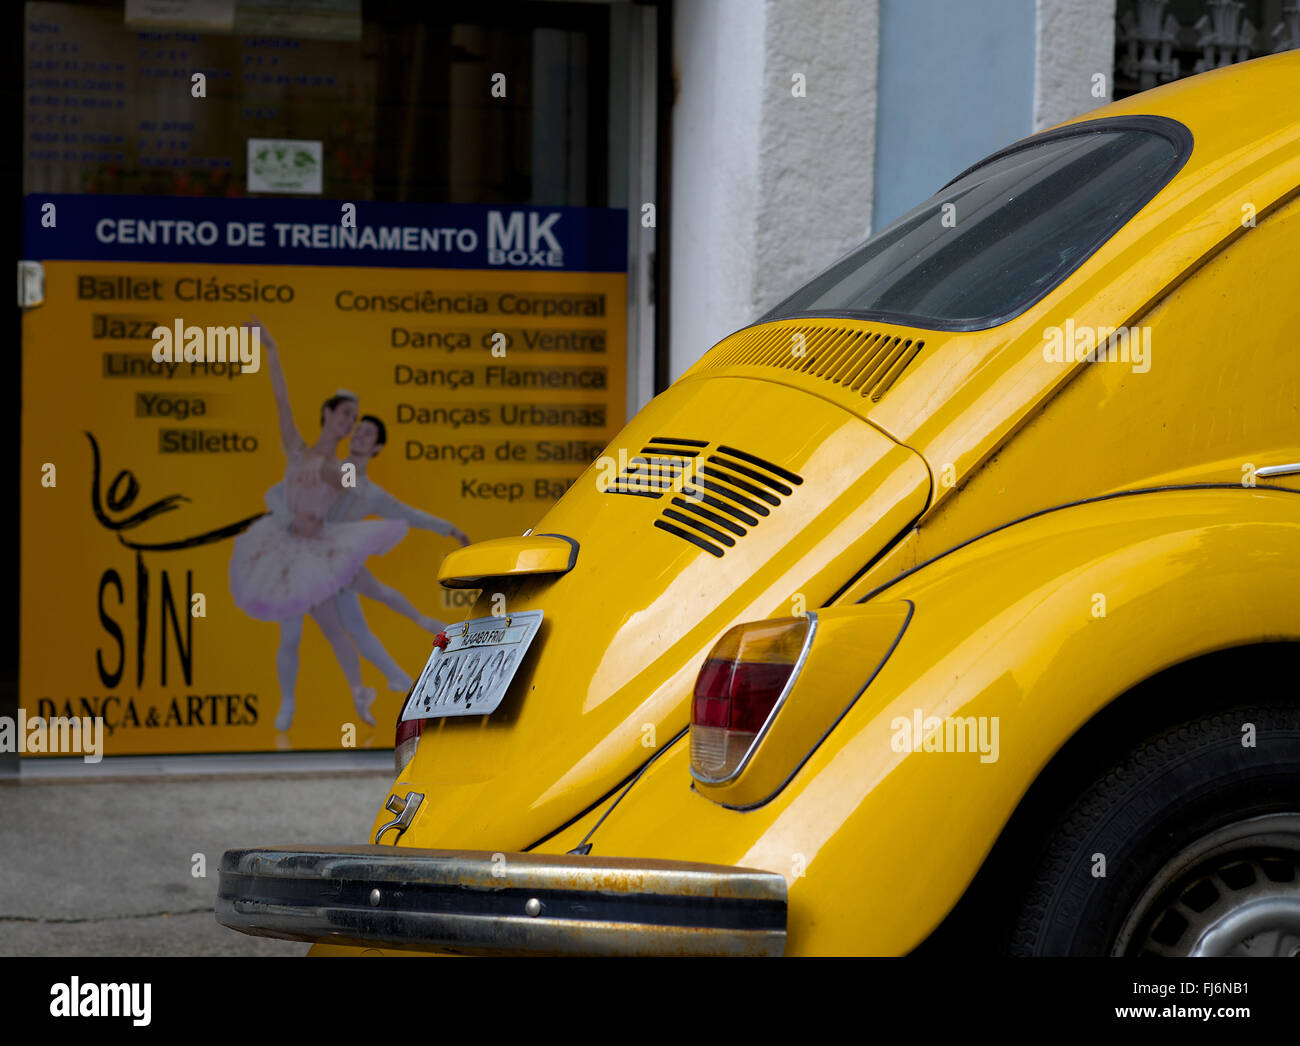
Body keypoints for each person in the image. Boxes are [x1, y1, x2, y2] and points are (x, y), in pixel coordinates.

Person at [228, 316, 406, 731]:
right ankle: (288, 703)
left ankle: (362, 692)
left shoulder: (341, 469)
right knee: (290, 635)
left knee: (335, 632)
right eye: (345, 414)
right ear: (328, 414)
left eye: (355, 417)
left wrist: (351, 466)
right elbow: (281, 401)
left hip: (316, 552)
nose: (349, 422)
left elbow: (352, 484)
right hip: (282, 549)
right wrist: (271, 349)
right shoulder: (295, 448)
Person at [264, 414, 471, 695]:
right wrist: (290, 519)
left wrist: (450, 529)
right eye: (358, 430)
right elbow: (278, 493)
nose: (360, 435)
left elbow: (408, 514)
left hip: (336, 562)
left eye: (368, 433)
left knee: (362, 619)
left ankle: (407, 657)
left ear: (377, 448)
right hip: (306, 560)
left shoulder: (371, 493)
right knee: (310, 631)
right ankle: (294, 700)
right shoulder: (323, 470)